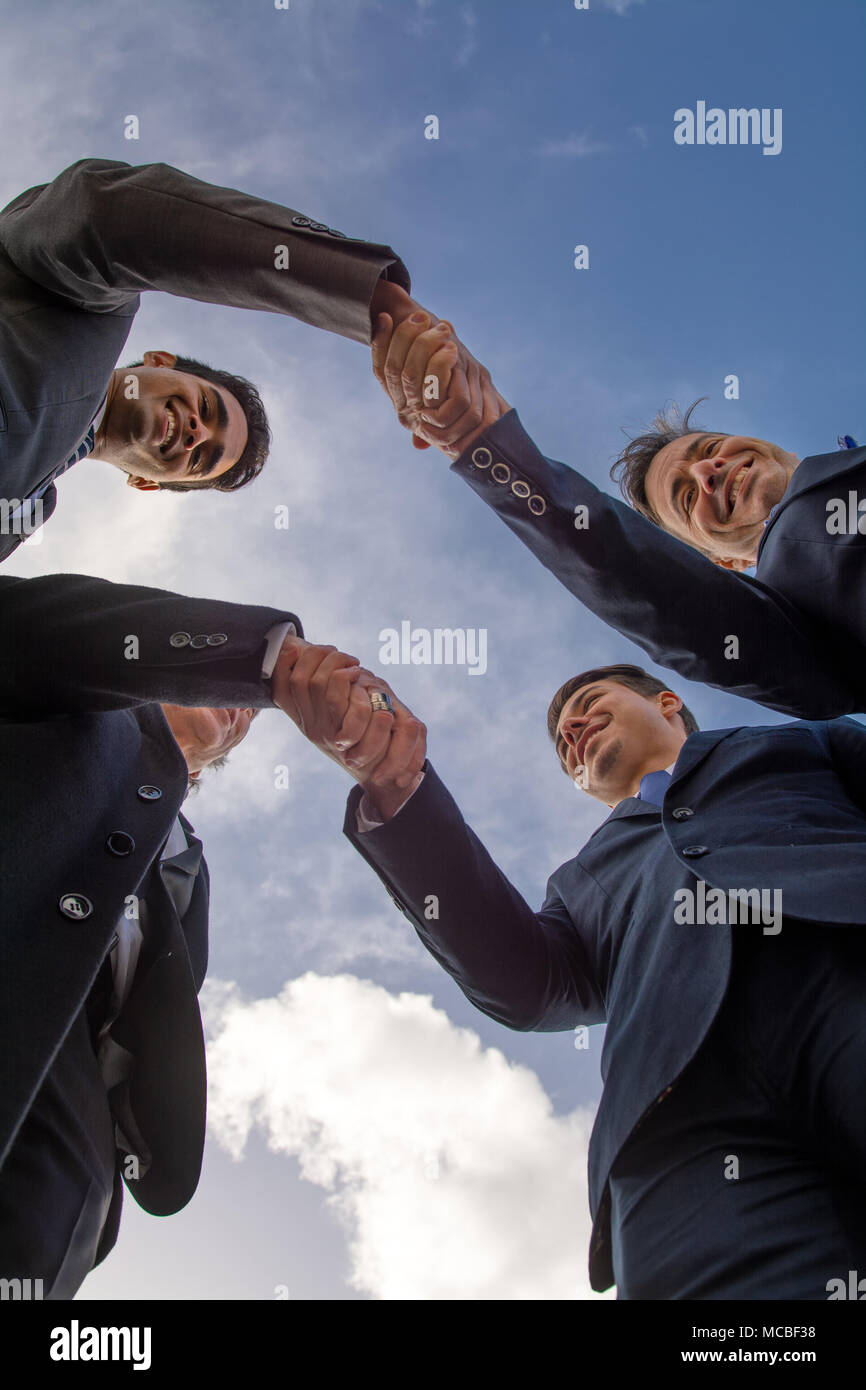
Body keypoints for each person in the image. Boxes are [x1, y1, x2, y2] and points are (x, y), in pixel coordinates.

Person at [284, 655, 866, 1298]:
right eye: (563, 739)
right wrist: (396, 786)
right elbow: (525, 986)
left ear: (668, 702)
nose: (572, 730)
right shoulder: (579, 880)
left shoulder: (797, 740)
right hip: (678, 1120)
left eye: (590, 701)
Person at [0, 567, 385, 1298]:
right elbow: (45, 630)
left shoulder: (185, 866)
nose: (240, 714)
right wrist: (265, 662)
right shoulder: (67, 693)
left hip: (57, 1168)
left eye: (245, 719)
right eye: (234, 701)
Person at [369, 312, 865, 720]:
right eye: (687, 497)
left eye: (710, 449)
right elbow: (650, 583)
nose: (709, 471)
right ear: (724, 564)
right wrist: (482, 441)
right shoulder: (790, 625)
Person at [0, 155, 460, 558]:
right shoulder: (91, 304)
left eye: (204, 458)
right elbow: (102, 214)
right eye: (207, 406)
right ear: (159, 360)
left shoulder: (29, 511)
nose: (198, 433)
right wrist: (376, 304)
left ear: (147, 484)